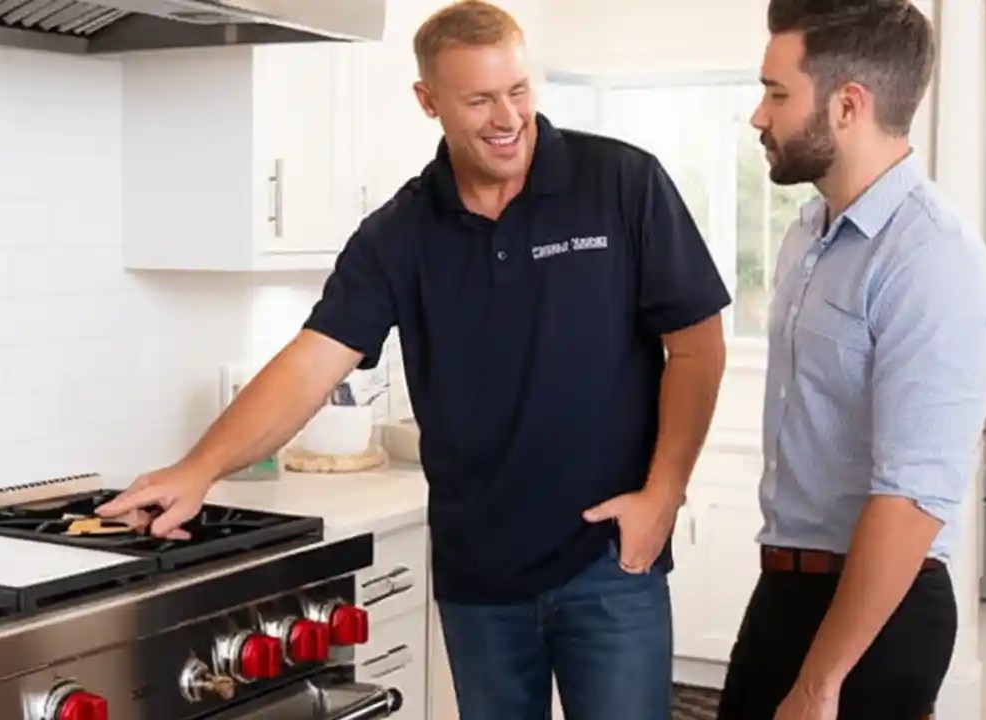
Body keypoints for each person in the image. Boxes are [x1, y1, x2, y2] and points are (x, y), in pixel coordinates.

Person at [96, 1, 730, 717]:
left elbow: (696, 344)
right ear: (428, 101)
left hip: (609, 559)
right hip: (480, 575)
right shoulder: (399, 233)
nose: (508, 118)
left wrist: (663, 494)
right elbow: (311, 363)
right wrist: (199, 468)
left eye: (518, 91)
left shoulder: (621, 182)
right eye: (480, 100)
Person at [716, 2, 986, 719]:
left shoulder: (934, 262)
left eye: (777, 93)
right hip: (786, 587)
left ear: (848, 105)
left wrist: (819, 684)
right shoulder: (809, 232)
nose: (759, 116)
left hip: (879, 614)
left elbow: (910, 502)